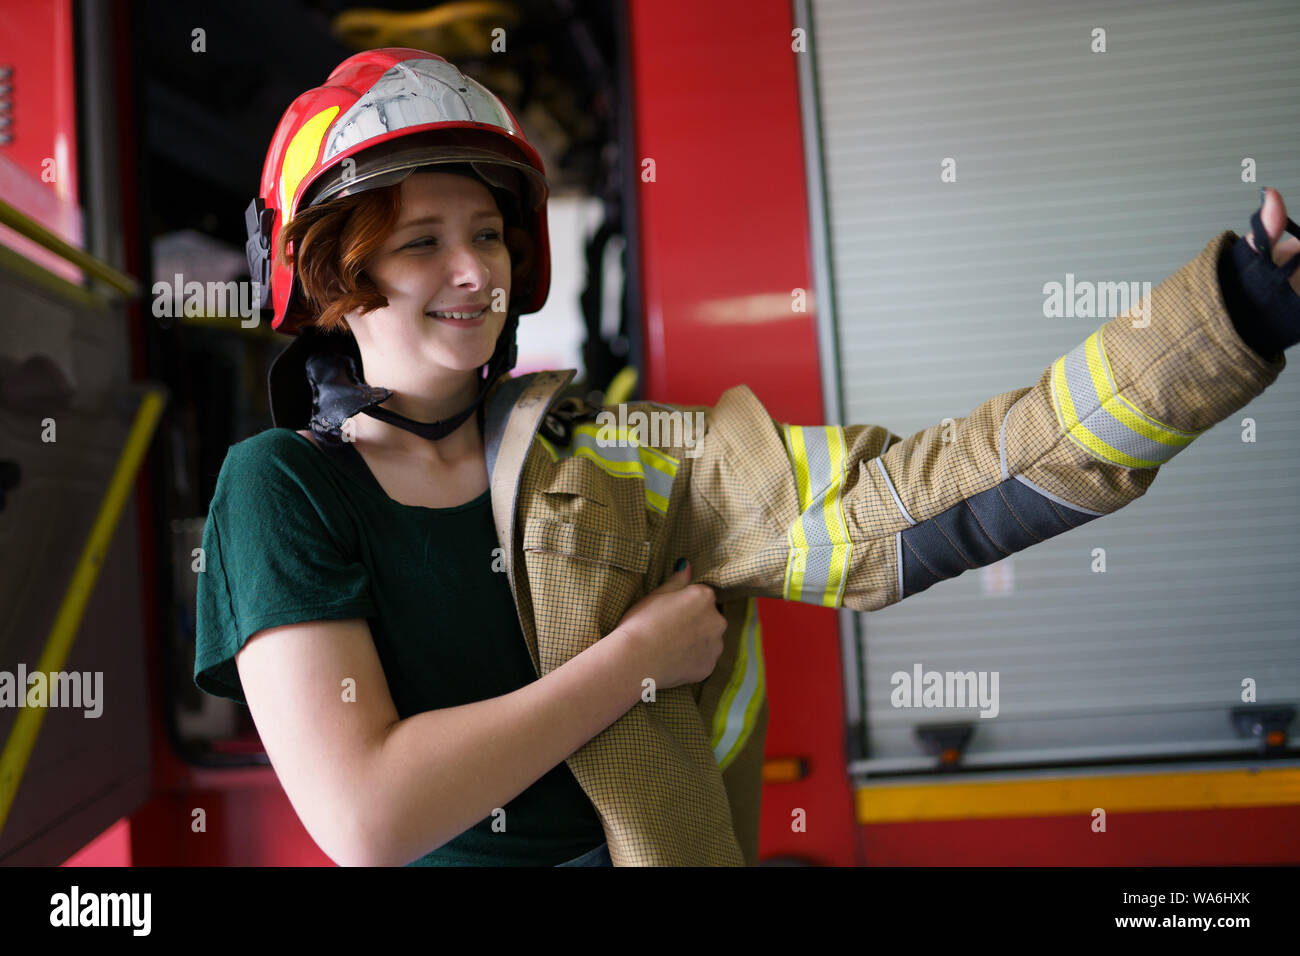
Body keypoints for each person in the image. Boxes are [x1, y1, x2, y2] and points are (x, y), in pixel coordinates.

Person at [194, 48, 1300, 867]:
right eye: (423, 240)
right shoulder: (279, 487)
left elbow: (911, 488)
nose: (475, 270)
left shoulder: (611, 457)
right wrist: (631, 661)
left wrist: (1219, 330)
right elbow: (367, 814)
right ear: (332, 271)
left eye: (487, 233)